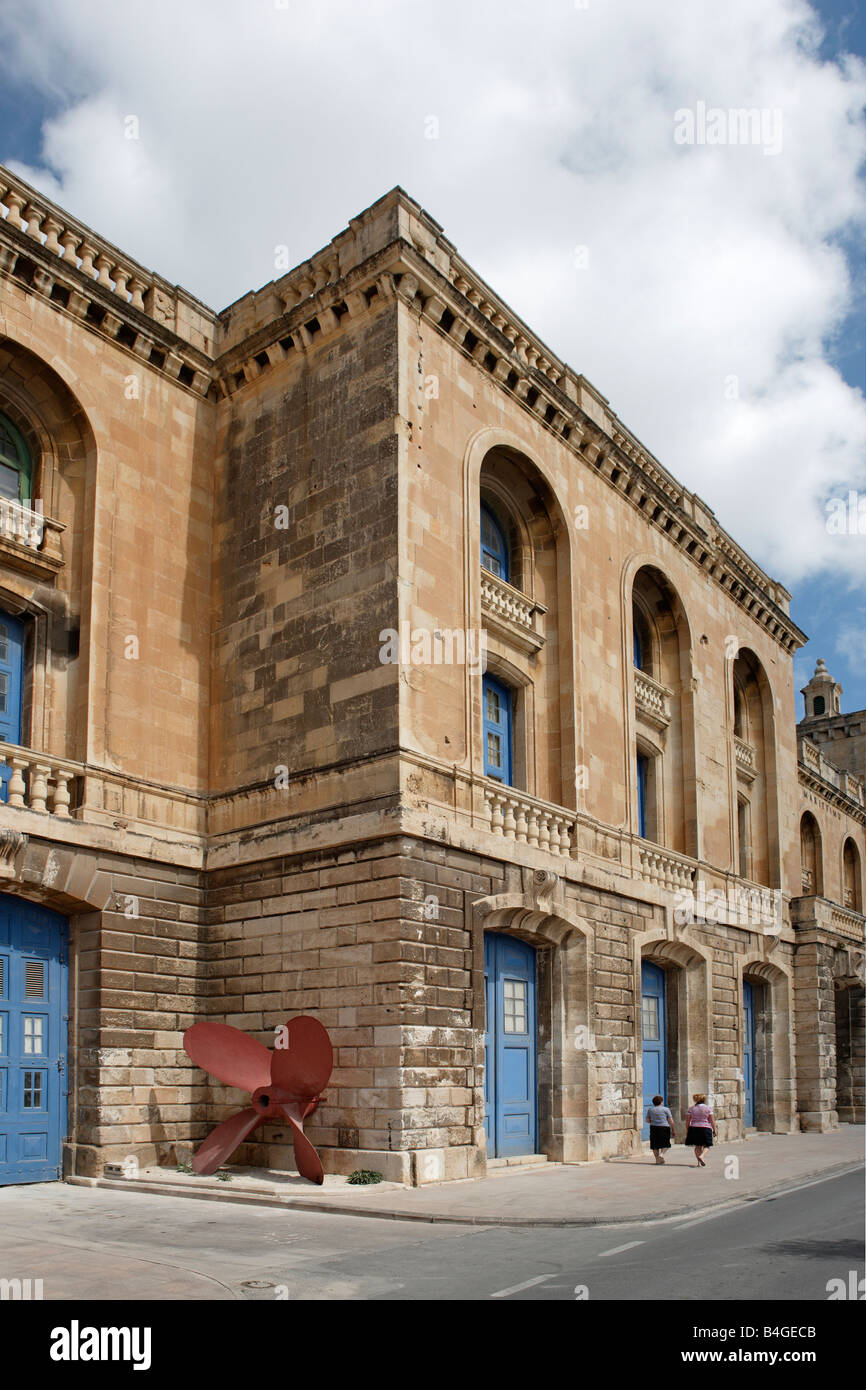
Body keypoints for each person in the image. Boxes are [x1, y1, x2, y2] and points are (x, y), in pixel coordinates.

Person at [684, 1093, 717, 1166]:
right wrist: (714, 1130)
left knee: (697, 1146)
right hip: (705, 1128)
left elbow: (687, 1121)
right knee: (707, 1145)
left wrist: (687, 1130)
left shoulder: (691, 1109)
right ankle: (702, 1156)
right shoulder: (708, 1108)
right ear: (704, 1100)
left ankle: (699, 1163)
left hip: (694, 1128)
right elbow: (712, 1120)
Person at [645, 1093, 675, 1164]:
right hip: (664, 1127)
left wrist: (654, 1121)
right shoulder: (666, 1109)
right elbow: (671, 1121)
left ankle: (657, 1159)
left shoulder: (650, 1110)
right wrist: (673, 1130)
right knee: (666, 1143)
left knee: (655, 1145)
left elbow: (647, 1120)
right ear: (661, 1102)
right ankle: (661, 1155)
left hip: (654, 1128)